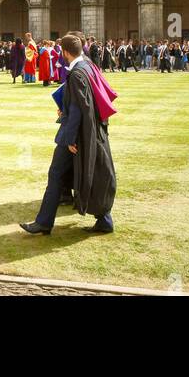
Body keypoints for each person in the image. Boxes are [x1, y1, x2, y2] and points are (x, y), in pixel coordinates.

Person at [21, 34, 117, 235]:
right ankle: (104, 220)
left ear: (64, 52)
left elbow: (78, 110)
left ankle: (44, 223)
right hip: (92, 129)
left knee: (55, 174)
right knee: (96, 171)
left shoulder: (76, 74)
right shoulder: (88, 66)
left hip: (78, 134)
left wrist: (70, 139)